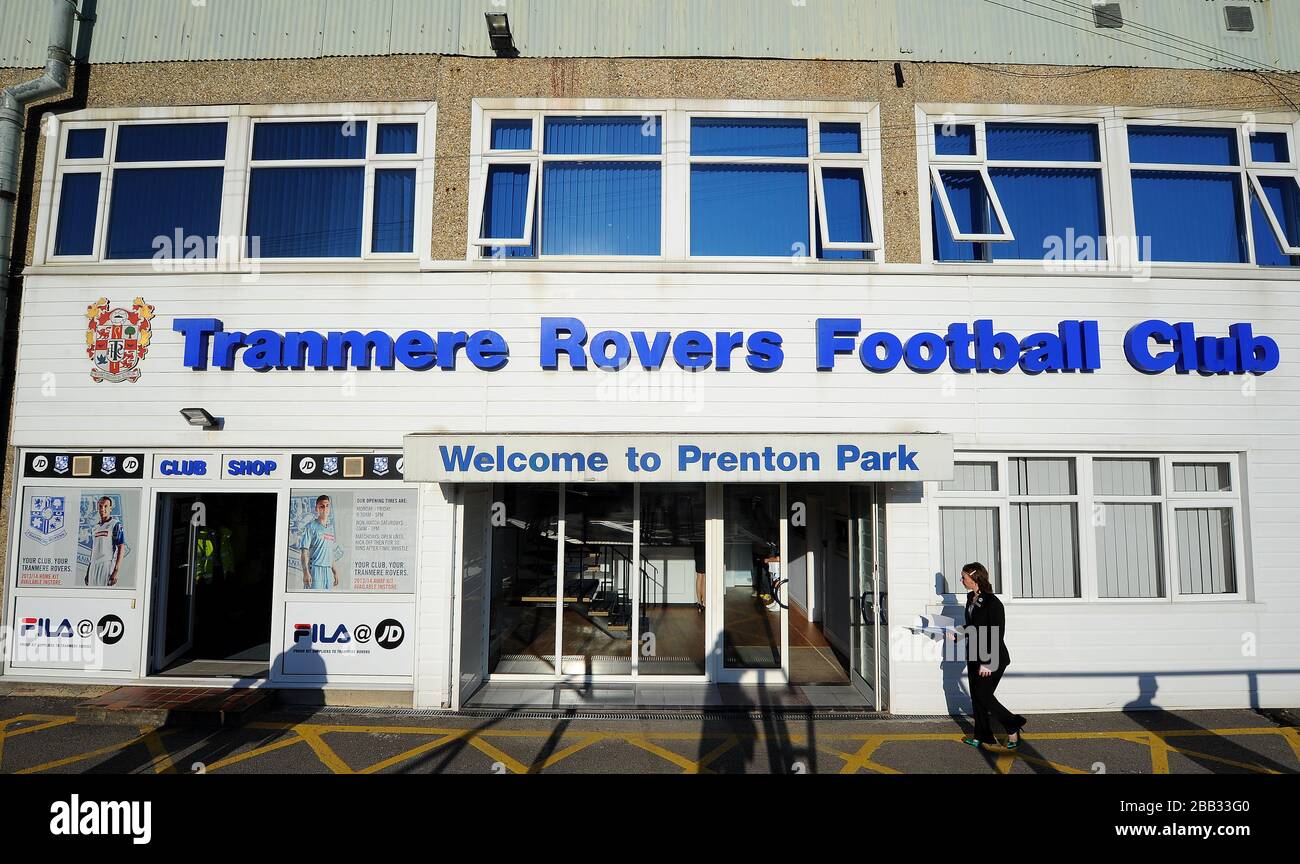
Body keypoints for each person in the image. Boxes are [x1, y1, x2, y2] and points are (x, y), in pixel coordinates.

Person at [956, 561, 1026, 749]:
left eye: (964, 577)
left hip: (991, 658)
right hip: (974, 655)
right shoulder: (971, 598)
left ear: (975, 579)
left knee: (983, 695)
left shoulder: (993, 603)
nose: (961, 580)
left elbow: (996, 633)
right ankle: (982, 735)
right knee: (977, 697)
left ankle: (1012, 725)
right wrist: (957, 634)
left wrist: (988, 662)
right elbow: (973, 627)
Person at [300, 495, 340, 590]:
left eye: (327, 506)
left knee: (327, 602)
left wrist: (335, 572)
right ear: (316, 509)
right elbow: (304, 552)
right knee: (312, 601)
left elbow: (330, 553)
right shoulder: (310, 527)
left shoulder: (330, 529)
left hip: (328, 572)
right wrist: (306, 573)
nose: (325, 509)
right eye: (321, 506)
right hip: (315, 571)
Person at [85, 496, 125, 587]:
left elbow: (121, 547)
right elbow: (93, 550)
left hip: (106, 565)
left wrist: (116, 570)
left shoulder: (115, 524)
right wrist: (88, 571)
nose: (103, 509)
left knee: (105, 596)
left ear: (110, 508)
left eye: (106, 506)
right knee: (92, 597)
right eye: (100, 506)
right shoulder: (95, 528)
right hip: (93, 566)